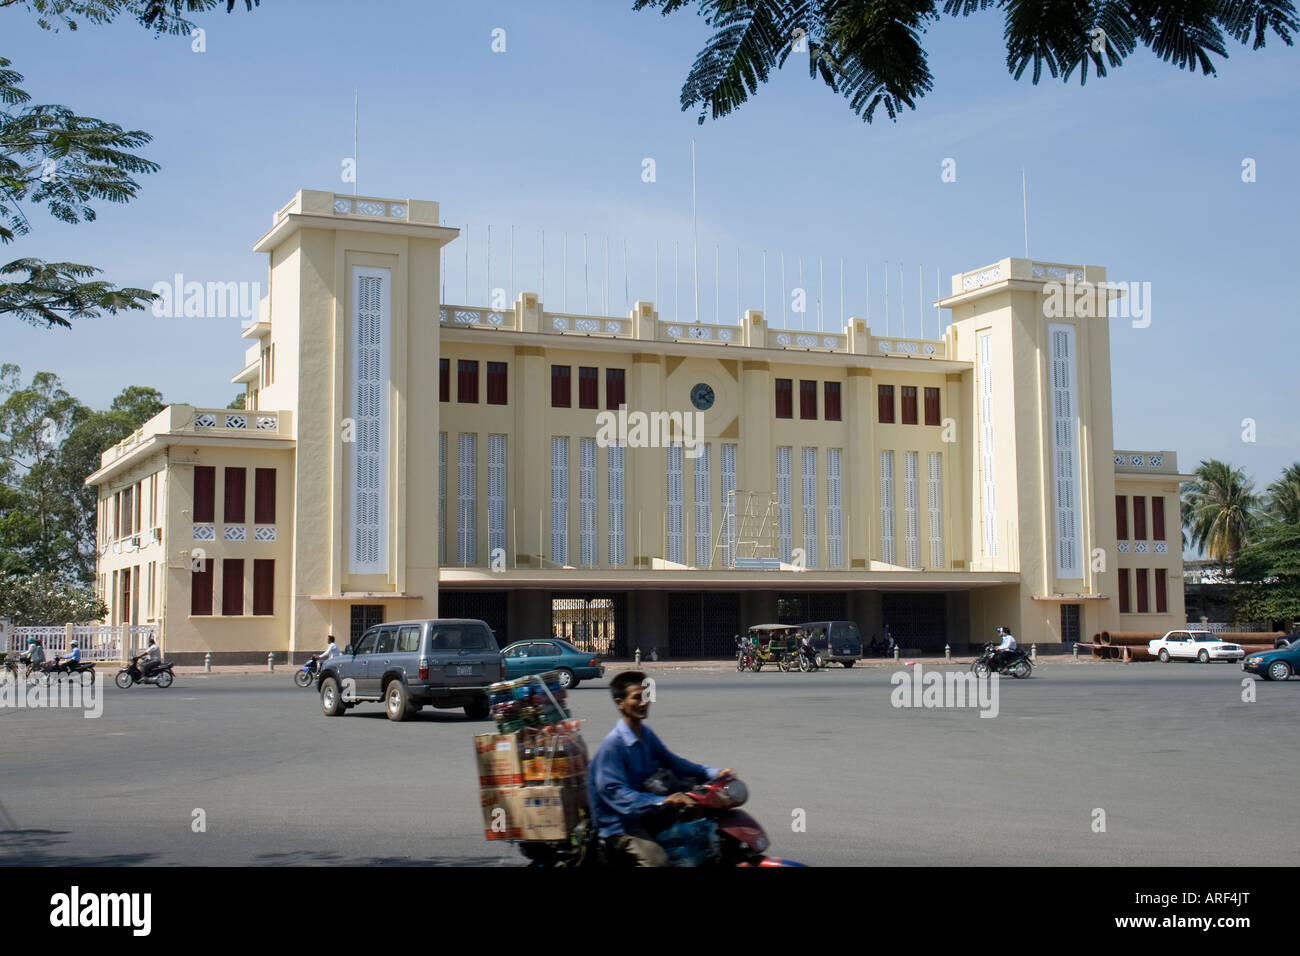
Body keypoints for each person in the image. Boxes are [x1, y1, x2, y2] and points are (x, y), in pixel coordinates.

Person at [588, 670, 731, 867]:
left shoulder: (645, 734)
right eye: (636, 698)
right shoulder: (613, 746)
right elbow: (617, 795)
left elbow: (673, 762)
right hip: (620, 823)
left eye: (646, 696)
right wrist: (662, 800)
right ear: (620, 703)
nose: (644, 702)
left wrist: (712, 773)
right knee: (659, 861)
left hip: (645, 811)